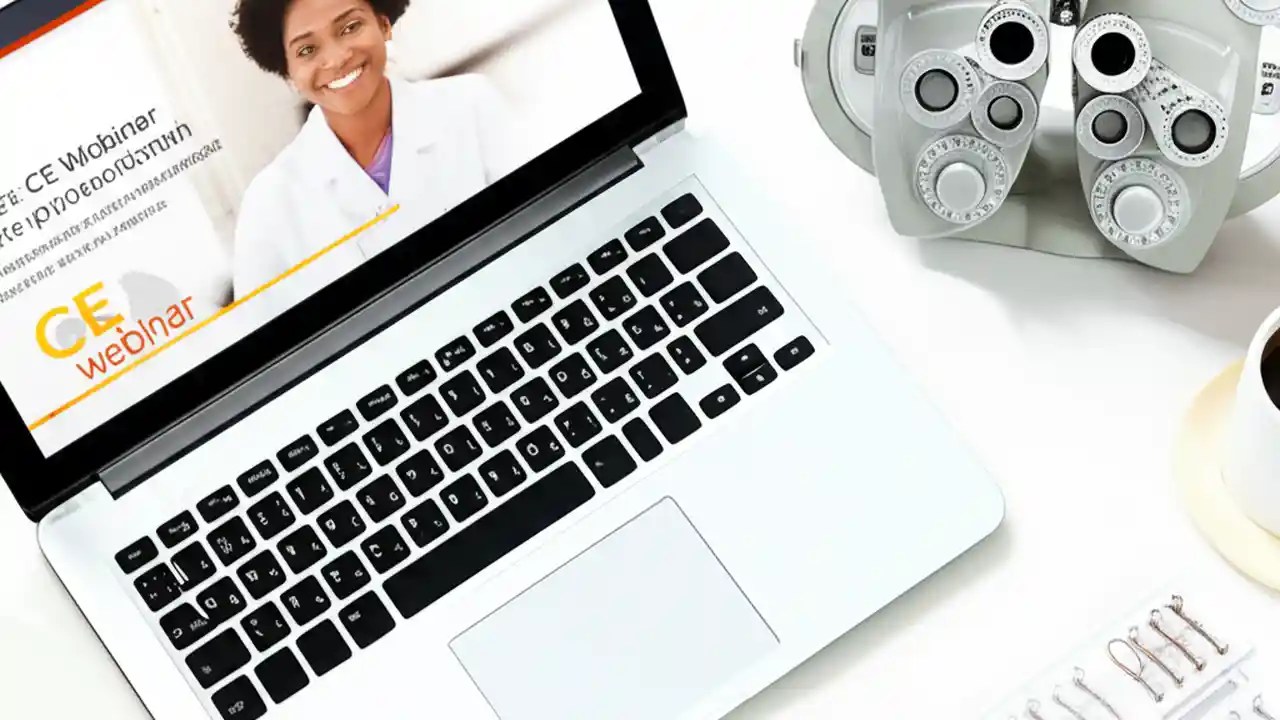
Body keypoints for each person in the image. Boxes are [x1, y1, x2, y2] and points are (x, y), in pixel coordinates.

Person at [230, 0, 522, 299]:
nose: (336, 58)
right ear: (288, 72)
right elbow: (263, 336)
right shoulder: (268, 203)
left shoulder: (471, 104)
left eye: (350, 27)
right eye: (306, 50)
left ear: (384, 25)